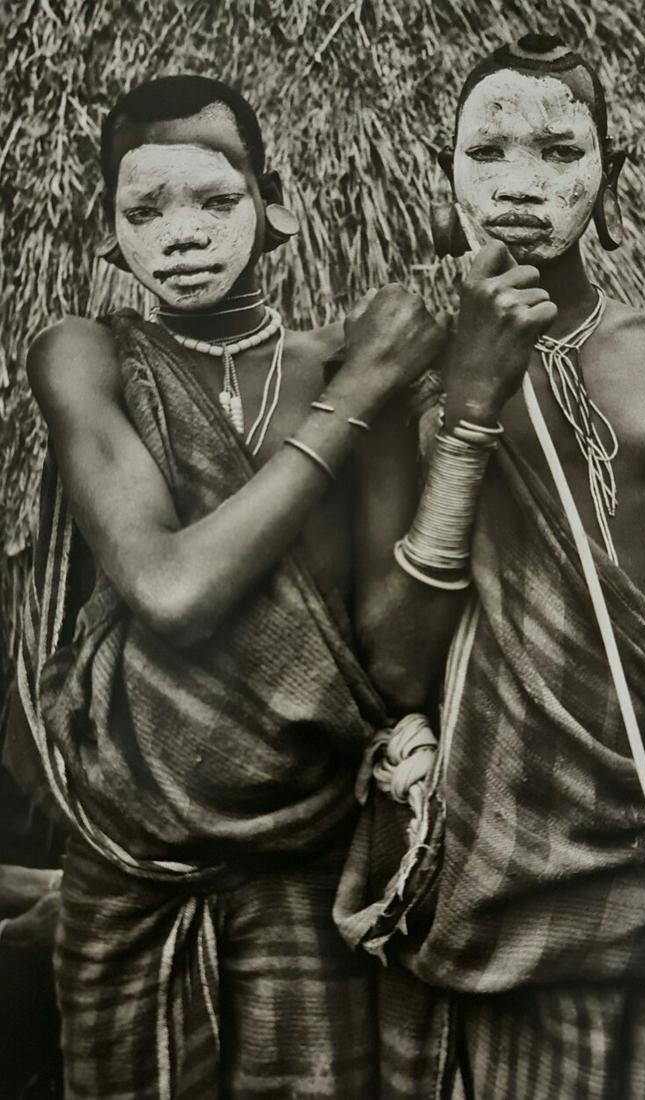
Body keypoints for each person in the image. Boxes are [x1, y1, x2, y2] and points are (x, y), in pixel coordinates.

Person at [336, 34, 645, 1099]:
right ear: (445, 171)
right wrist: (467, 407)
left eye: (559, 148)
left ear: (611, 167)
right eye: (488, 150)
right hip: (484, 868)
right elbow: (392, 659)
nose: (522, 183)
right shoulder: (398, 369)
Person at [11, 74, 445, 1098]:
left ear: (275, 201)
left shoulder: (342, 364)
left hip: (304, 854)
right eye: (144, 208)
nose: (182, 233)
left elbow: (391, 659)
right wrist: (356, 398)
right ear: (110, 235)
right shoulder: (85, 356)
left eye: (213, 198)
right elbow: (169, 589)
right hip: (127, 856)